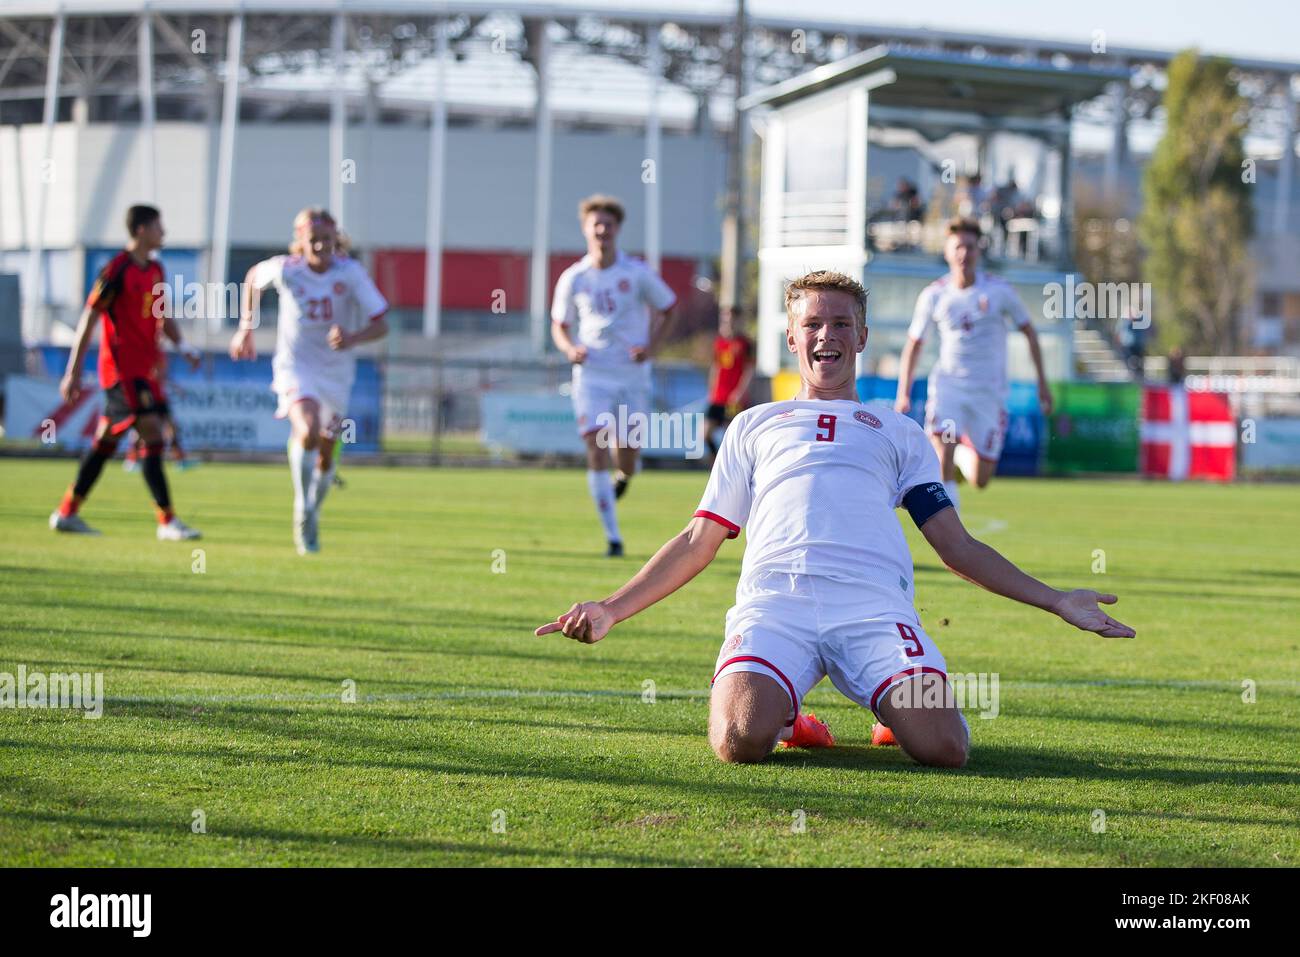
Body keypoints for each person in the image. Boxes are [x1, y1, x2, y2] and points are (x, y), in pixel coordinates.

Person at [535, 270, 1134, 767]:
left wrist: (1057, 600)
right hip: (776, 607)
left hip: (875, 611)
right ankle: (792, 714)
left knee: (946, 748)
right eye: (813, 325)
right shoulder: (752, 425)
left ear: (863, 335)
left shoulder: (900, 433)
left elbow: (956, 546)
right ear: (793, 339)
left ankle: (890, 711)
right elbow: (698, 541)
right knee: (738, 741)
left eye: (841, 324)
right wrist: (611, 608)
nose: (828, 336)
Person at [229, 207, 388, 555]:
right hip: (295, 367)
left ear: (336, 240)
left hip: (336, 373)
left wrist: (353, 337)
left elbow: (381, 322)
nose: (320, 246)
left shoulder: (351, 273)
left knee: (327, 448)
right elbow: (254, 278)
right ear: (300, 241)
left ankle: (313, 510)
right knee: (309, 428)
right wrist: (246, 327)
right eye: (313, 239)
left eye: (326, 239)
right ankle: (302, 507)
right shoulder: (288, 269)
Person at [49, 205, 202, 540]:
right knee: (152, 432)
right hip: (121, 371)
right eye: (160, 227)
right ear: (142, 229)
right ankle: (167, 521)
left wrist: (185, 347)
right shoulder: (116, 270)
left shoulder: (157, 270)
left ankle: (67, 512)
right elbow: (89, 318)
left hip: (144, 371)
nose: (165, 233)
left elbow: (164, 317)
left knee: (107, 440)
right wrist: (73, 372)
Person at [550, 194, 678, 557]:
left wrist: (651, 347)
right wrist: (568, 348)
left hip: (631, 374)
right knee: (594, 445)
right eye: (596, 224)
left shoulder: (635, 273)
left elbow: (669, 308)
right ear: (586, 229)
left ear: (617, 229)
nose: (602, 230)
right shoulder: (573, 277)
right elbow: (559, 325)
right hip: (591, 374)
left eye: (608, 224)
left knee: (628, 451)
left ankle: (624, 477)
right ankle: (614, 538)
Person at [895, 217, 1053, 509]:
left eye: (970, 246)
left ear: (978, 251)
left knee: (981, 479)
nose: (964, 253)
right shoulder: (934, 295)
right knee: (943, 451)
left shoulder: (999, 291)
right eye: (958, 247)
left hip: (988, 393)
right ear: (947, 251)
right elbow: (914, 344)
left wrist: (1043, 383)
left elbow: (1029, 332)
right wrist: (903, 392)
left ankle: (966, 452)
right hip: (949, 387)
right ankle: (952, 535)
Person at [703, 304, 756, 466]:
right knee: (705, 434)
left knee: (731, 435)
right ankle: (717, 466)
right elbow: (716, 367)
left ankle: (734, 468)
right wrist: (712, 389)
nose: (728, 322)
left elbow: (749, 369)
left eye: (731, 318)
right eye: (725, 318)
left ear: (738, 320)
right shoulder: (719, 342)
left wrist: (741, 391)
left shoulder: (745, 344)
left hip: (734, 399)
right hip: (718, 396)